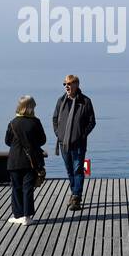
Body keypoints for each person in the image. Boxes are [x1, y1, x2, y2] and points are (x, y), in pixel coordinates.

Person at [52, 74, 95, 211]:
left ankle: (76, 196)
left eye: (69, 84)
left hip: (78, 144)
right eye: (65, 84)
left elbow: (91, 121)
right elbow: (55, 119)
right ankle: (74, 193)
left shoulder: (85, 101)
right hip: (63, 143)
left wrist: (82, 136)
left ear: (76, 84)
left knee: (78, 170)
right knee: (70, 170)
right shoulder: (61, 101)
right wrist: (58, 134)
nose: (67, 87)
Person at [6, 95, 47, 226]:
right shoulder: (35, 122)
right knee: (28, 188)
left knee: (16, 188)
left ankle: (18, 215)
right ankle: (27, 217)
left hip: (14, 160)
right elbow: (42, 140)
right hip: (31, 160)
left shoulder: (12, 122)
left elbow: (7, 141)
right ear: (30, 108)